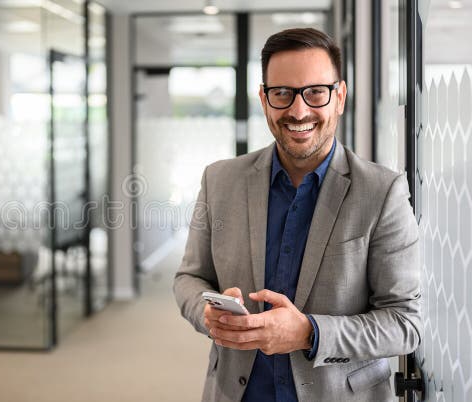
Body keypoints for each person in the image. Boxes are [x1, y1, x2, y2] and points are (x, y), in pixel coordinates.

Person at [173, 28, 422, 401]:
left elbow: (404, 323)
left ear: (340, 97)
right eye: (282, 93)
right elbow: (189, 277)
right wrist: (206, 313)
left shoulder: (382, 192)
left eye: (315, 92)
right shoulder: (219, 180)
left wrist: (309, 333)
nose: (298, 110)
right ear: (264, 99)